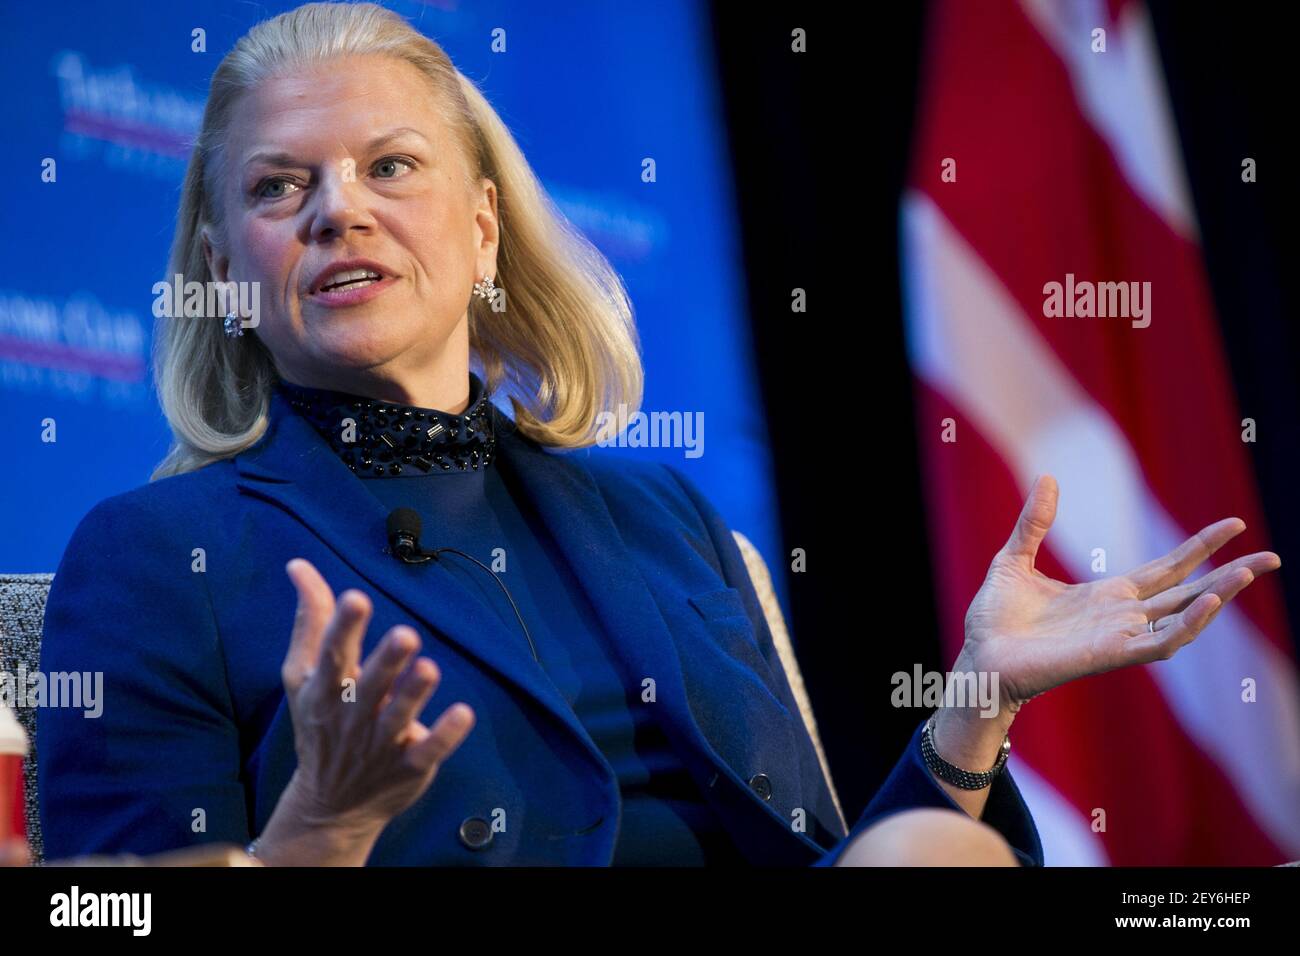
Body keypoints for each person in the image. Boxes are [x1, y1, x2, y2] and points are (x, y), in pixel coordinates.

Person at [35, 2, 1280, 867]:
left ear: (481, 232)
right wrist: (316, 831)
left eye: (390, 166)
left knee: (939, 845)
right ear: (220, 270)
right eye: (276, 185)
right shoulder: (155, 555)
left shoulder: (660, 515)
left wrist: (973, 703)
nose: (336, 212)